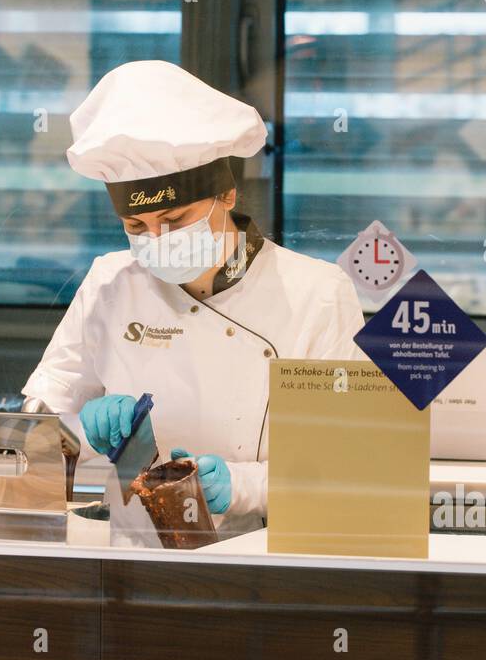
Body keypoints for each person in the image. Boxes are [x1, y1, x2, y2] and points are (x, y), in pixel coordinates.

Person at [22, 60, 365, 537]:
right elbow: (37, 428)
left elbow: (348, 463)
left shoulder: (316, 294)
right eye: (137, 227)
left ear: (226, 195)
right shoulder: (109, 281)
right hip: (125, 544)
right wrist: (79, 428)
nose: (157, 239)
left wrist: (242, 485)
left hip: (259, 546)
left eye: (177, 220)